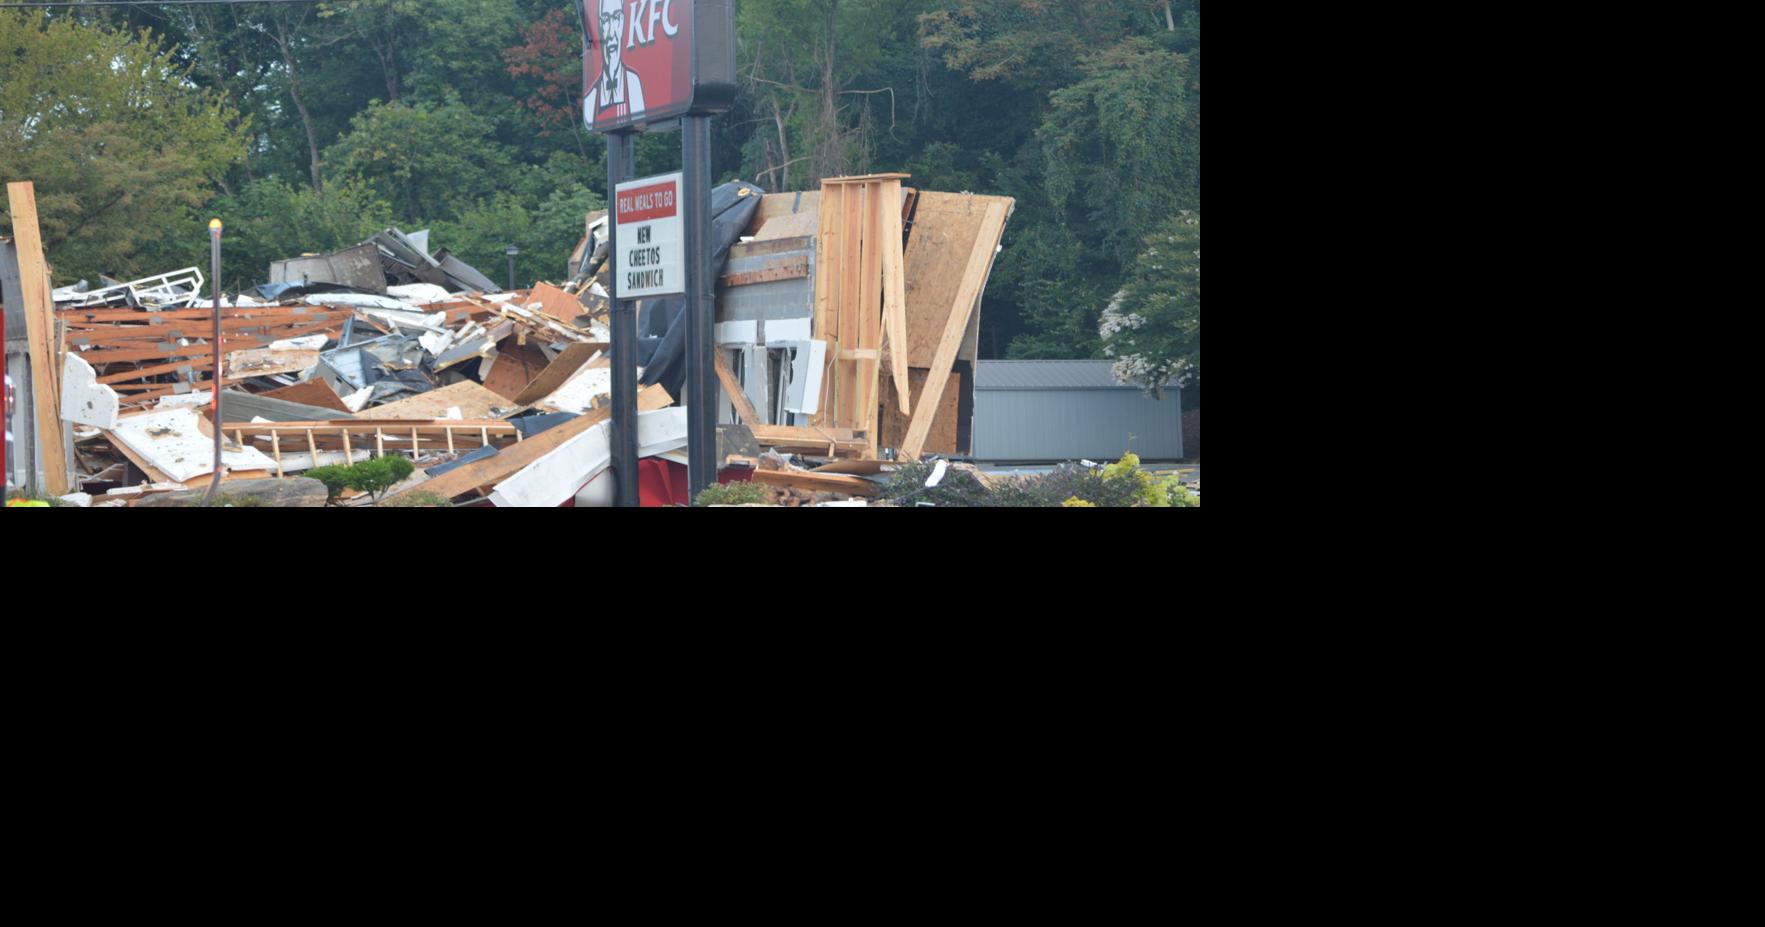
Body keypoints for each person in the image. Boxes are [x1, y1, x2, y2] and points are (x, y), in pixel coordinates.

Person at [591, 0, 645, 123]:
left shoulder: (633, 84)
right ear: (599, 26)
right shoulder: (591, 100)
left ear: (623, 22)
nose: (611, 33)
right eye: (605, 20)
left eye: (616, 18)